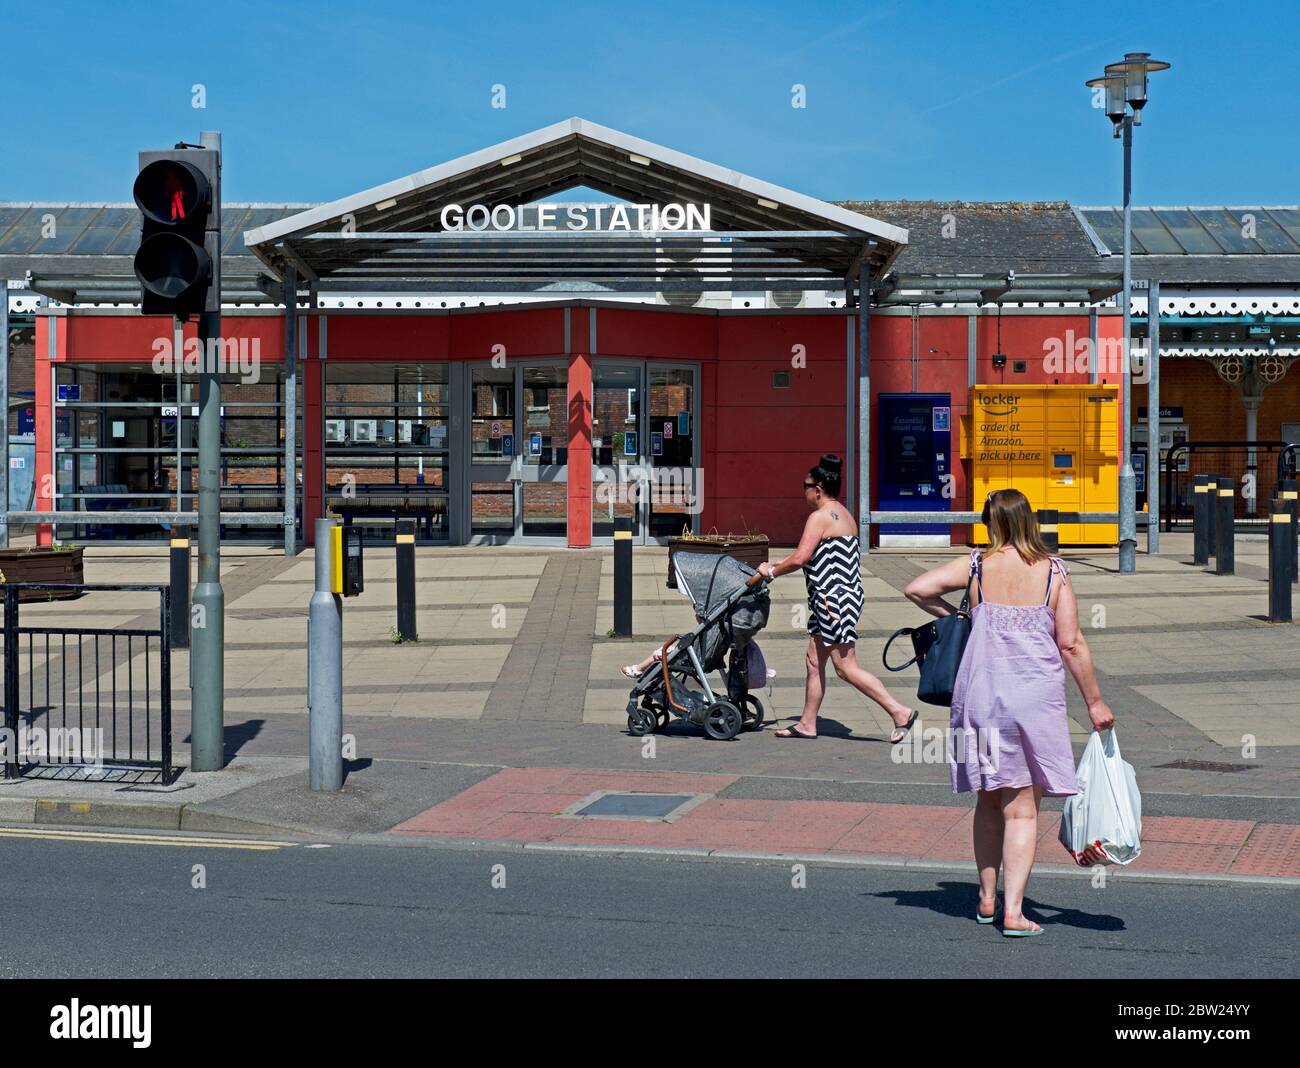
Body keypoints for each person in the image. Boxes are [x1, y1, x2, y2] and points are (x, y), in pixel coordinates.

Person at [903, 488, 1116, 937]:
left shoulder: (976, 566)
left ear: (991, 523)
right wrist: (1095, 701)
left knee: (987, 798)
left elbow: (916, 588)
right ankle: (1014, 912)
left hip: (978, 696)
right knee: (1020, 809)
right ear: (1030, 522)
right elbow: (1072, 643)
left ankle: (985, 898)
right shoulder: (1054, 572)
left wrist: (963, 619)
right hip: (1032, 699)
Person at [758, 453, 918, 742]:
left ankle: (899, 711)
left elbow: (801, 558)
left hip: (833, 602)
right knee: (813, 661)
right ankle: (807, 723)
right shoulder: (844, 514)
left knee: (846, 667)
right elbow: (807, 557)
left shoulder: (819, 518)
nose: (803, 492)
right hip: (837, 599)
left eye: (804, 486)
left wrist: (770, 572)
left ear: (818, 489)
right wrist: (778, 565)